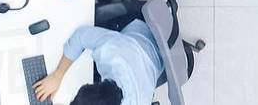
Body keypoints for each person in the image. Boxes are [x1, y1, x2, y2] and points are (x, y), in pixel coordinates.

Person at [33, 22, 164, 105]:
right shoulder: (111, 52)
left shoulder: (114, 52)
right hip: (146, 40)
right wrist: (58, 75)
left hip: (153, 56)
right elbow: (81, 36)